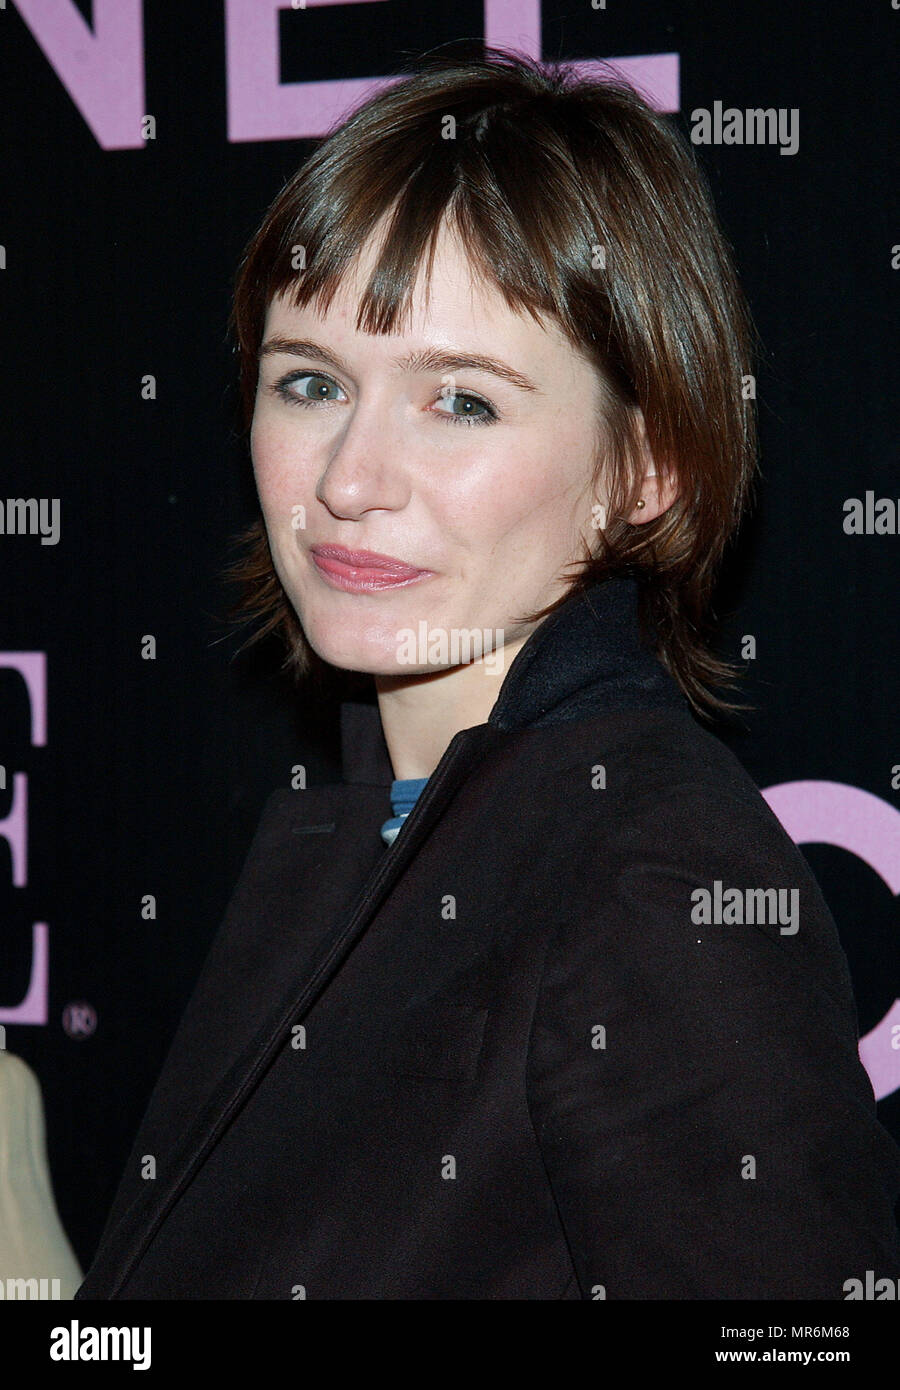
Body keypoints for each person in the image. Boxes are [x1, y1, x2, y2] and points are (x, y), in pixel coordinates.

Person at [74, 46, 900, 1300]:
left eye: (460, 402)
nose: (348, 479)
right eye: (311, 382)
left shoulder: (653, 878)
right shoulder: (368, 818)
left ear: (644, 471)